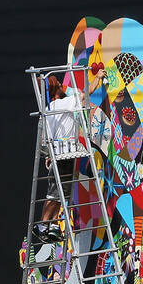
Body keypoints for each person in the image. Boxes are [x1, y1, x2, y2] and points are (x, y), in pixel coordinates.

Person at [35, 74, 85, 243]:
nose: (63, 87)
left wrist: (48, 154)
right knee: (56, 195)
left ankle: (53, 224)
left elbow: (45, 136)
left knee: (59, 194)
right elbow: (82, 96)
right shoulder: (62, 103)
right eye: (59, 84)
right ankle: (43, 225)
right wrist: (96, 79)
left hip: (58, 154)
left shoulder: (49, 108)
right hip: (64, 155)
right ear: (55, 90)